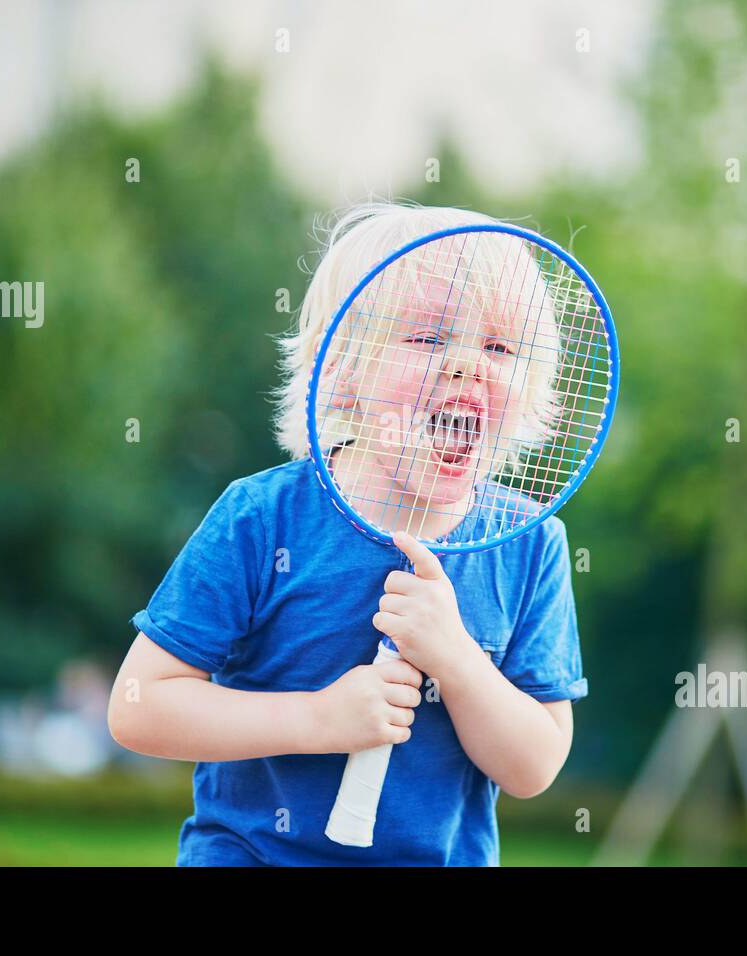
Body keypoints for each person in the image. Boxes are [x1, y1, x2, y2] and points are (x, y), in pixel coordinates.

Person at [109, 202, 587, 865]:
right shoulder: (261, 517)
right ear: (339, 370)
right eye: (426, 338)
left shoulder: (531, 545)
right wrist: (316, 719)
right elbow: (138, 708)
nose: (466, 365)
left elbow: (533, 765)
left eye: (500, 347)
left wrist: (453, 656)